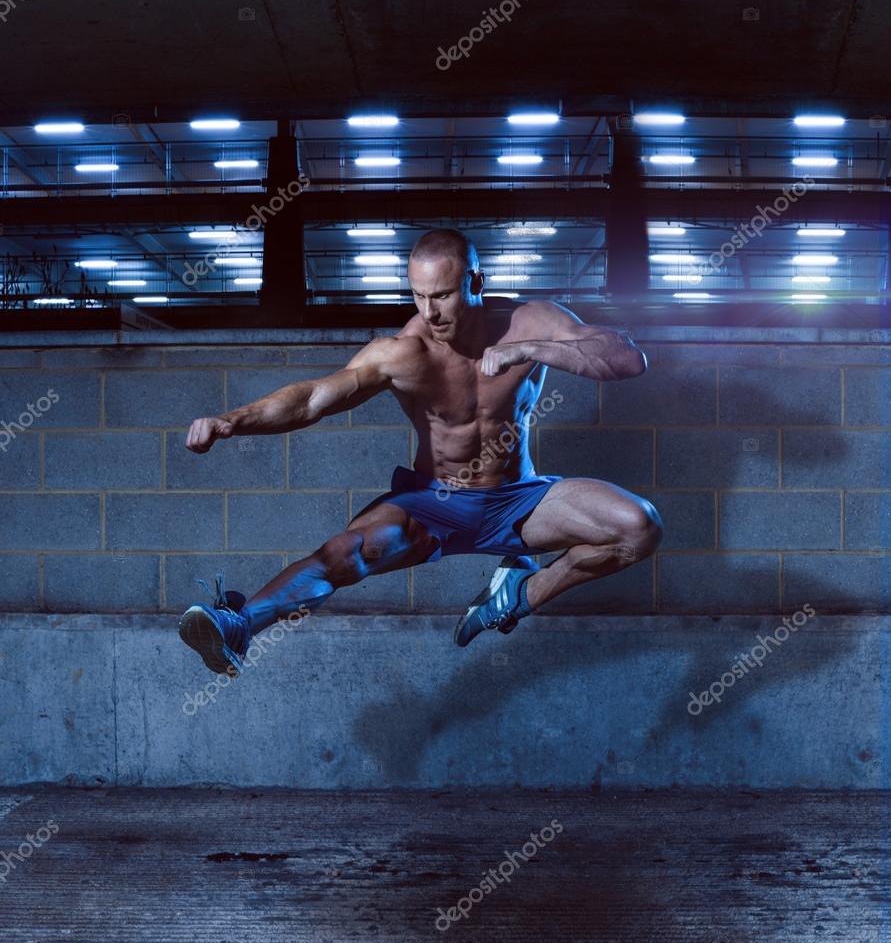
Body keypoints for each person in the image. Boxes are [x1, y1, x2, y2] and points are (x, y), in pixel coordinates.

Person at [178, 229, 663, 677]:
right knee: (344, 554)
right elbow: (312, 399)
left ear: (475, 281)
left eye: (443, 295)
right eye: (419, 295)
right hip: (434, 505)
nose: (430, 313)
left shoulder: (530, 322)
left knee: (638, 527)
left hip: (518, 499)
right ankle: (241, 625)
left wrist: (530, 350)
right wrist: (231, 421)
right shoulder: (405, 352)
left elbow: (628, 358)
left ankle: (521, 593)